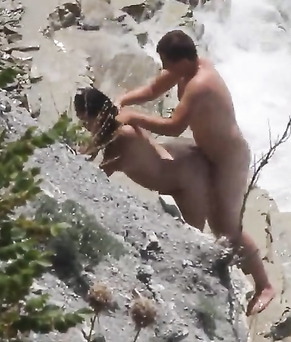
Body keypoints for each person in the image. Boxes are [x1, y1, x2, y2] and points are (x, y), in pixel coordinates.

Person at [114, 29, 275, 315]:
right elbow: (153, 89)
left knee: (226, 226)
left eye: (167, 63)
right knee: (211, 217)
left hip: (229, 159)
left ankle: (264, 286)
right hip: (207, 152)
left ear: (183, 60)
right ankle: (212, 261)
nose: (164, 69)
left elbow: (175, 126)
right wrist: (124, 101)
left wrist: (133, 116)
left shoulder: (201, 83)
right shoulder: (186, 70)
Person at [74, 87, 212, 232]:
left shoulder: (121, 137)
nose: (84, 126)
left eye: (85, 120)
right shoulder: (117, 123)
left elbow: (95, 177)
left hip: (187, 179)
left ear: (99, 116)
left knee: (196, 240)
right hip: (175, 168)